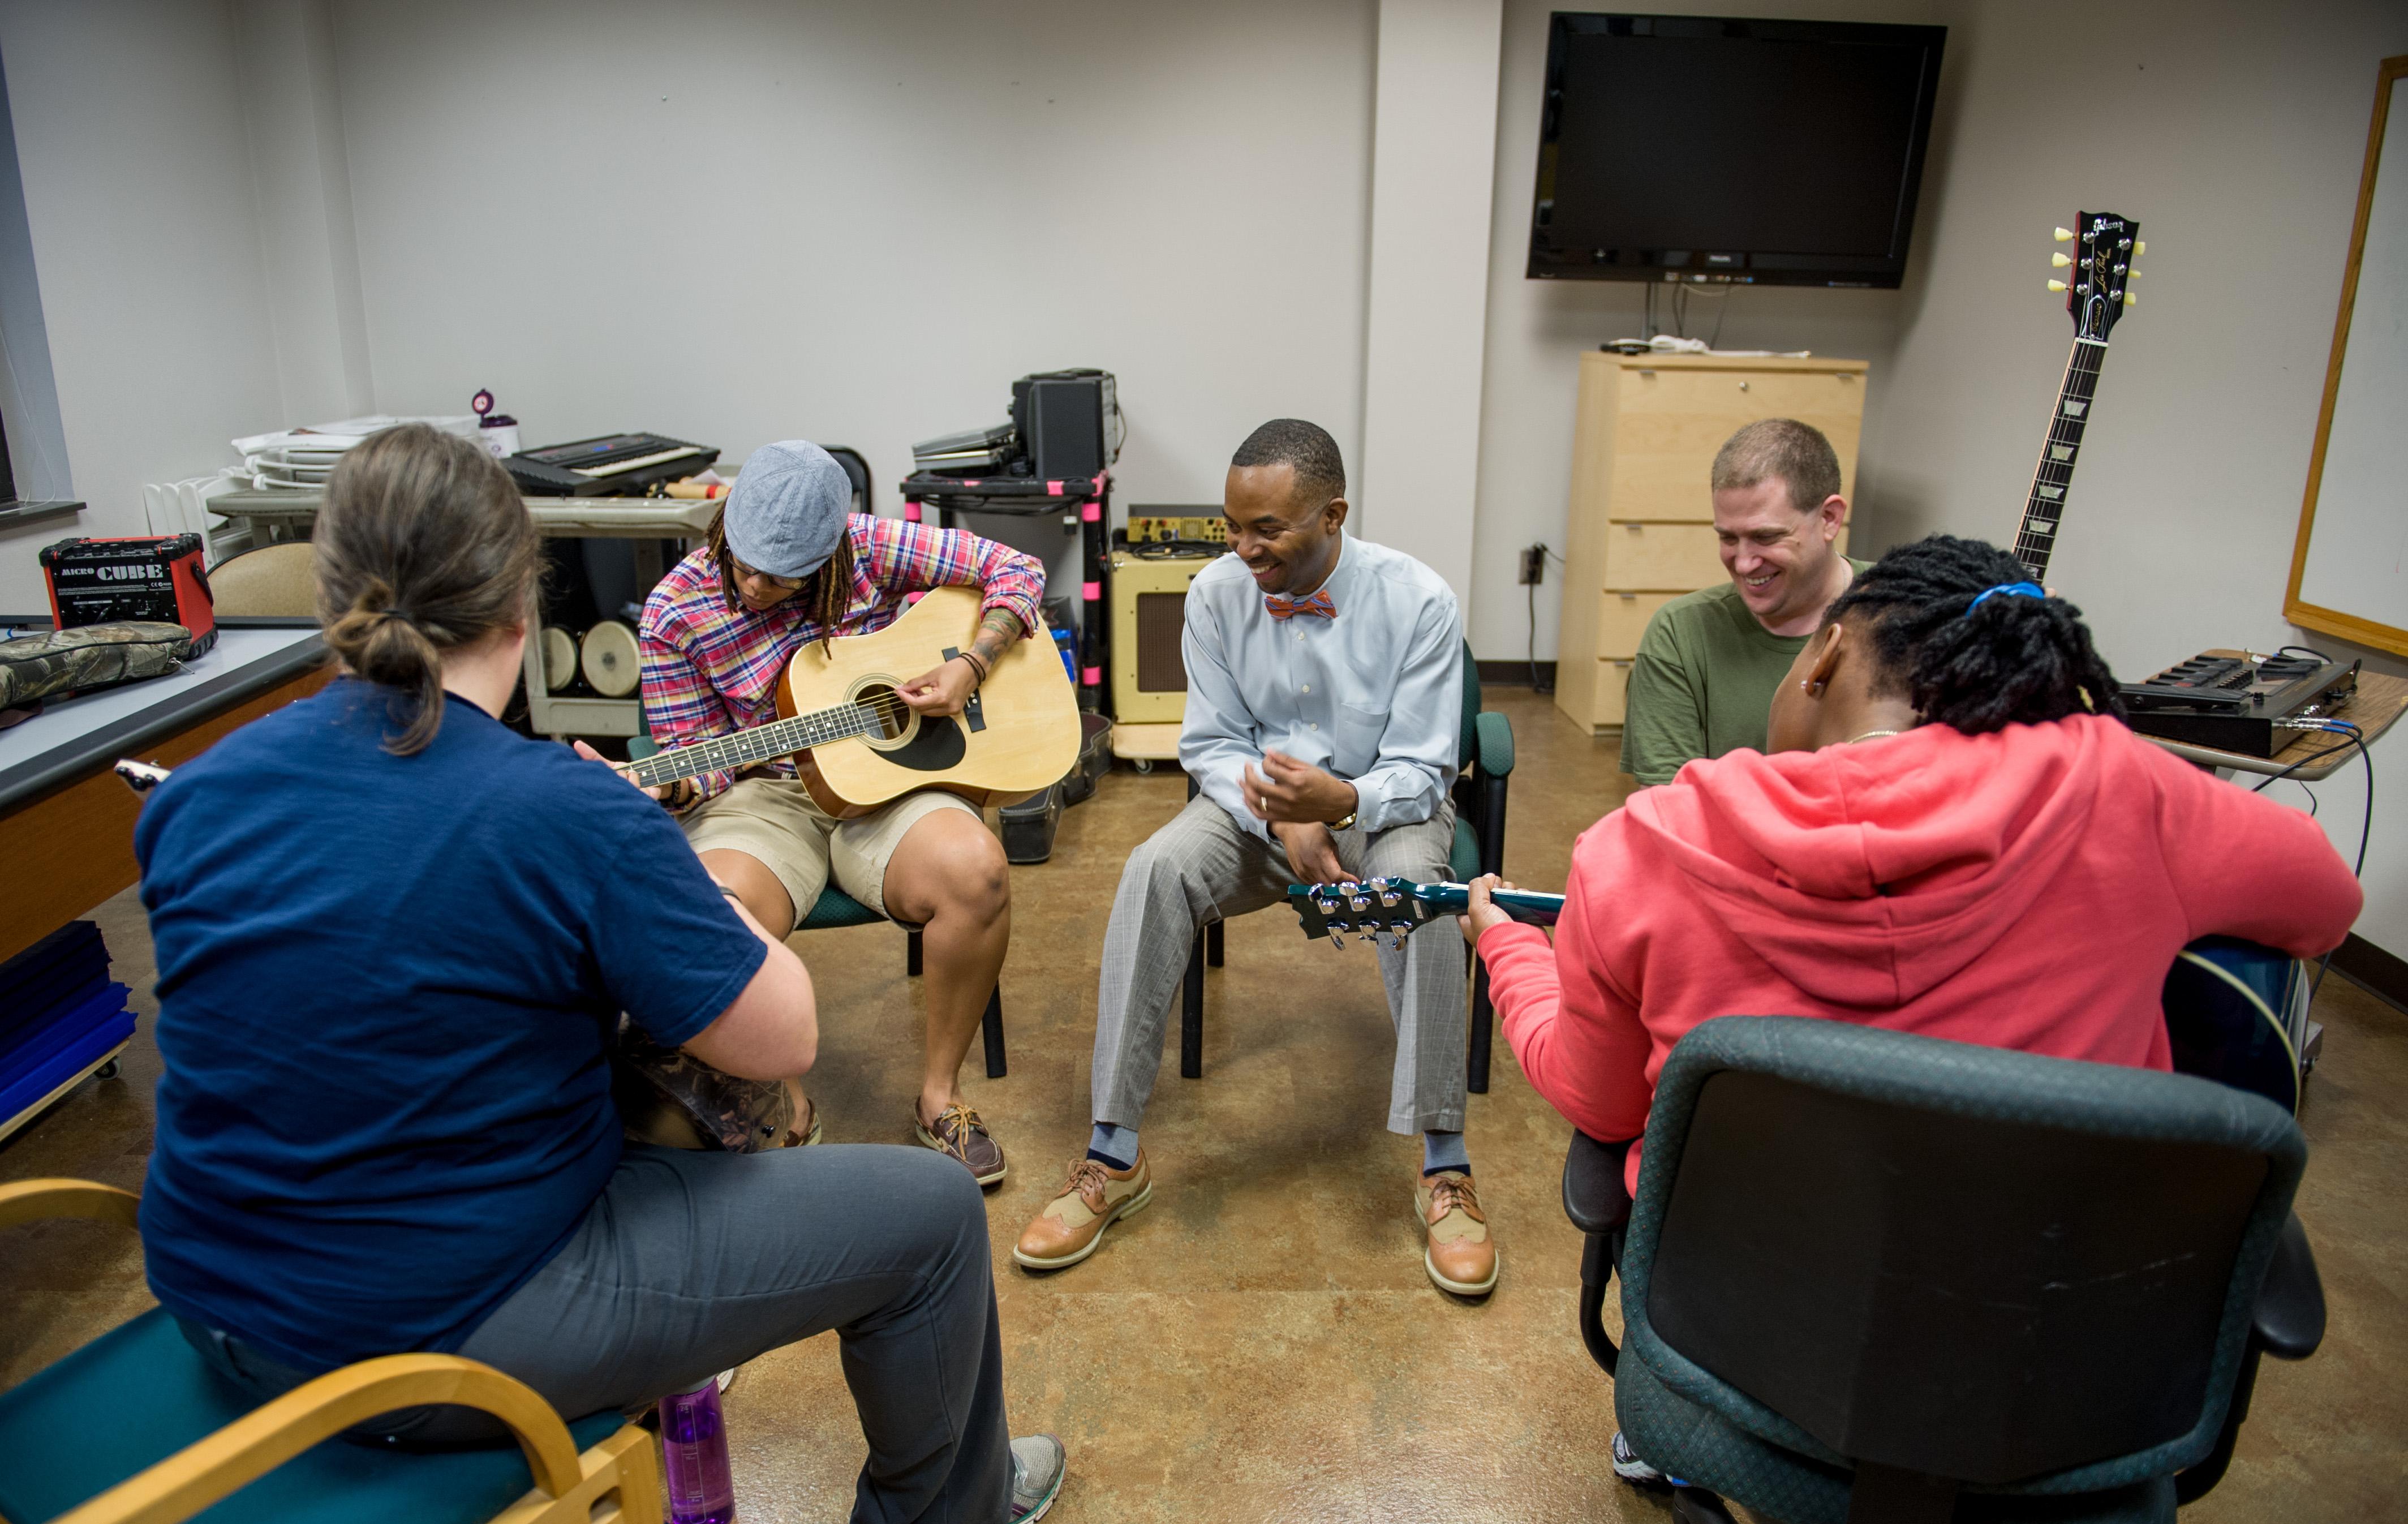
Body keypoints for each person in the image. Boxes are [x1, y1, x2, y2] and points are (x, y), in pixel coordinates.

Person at [134, 425, 1064, 1524]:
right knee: (927, 1215)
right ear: (522, 605)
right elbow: (784, 1033)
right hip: (437, 1342)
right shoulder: (559, 804)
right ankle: (932, 1522)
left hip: (215, 1307)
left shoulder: (192, 797)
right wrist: (630, 840)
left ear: (331, 592)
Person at [1461, 534, 2362, 1478]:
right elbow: (2326, 904)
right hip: (2052, 1377)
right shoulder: (2119, 781)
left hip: (1741, 1346)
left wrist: (1510, 946)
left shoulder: (1639, 846)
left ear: (1825, 655)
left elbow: (1597, 1102)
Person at [1012, 418, 1498, 1295]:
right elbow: (1212, 743)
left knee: (1424, 892)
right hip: (1258, 813)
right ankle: (1112, 1156)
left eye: (1266, 530)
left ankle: (1444, 1165)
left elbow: (1426, 768)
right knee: (1152, 868)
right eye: (1233, 526)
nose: (1243, 549)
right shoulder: (1215, 593)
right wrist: (1284, 821)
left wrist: (1339, 804)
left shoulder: (1418, 598)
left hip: (1380, 809)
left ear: (1333, 515)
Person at [633, 441, 1046, 1186]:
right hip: (762, 792)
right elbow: (700, 758)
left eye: (780, 573)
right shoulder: (674, 611)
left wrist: (970, 664)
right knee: (713, 915)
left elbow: (1018, 568)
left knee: (979, 872)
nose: (755, 585)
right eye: (745, 562)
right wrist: (672, 784)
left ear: (829, 555)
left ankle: (940, 1098)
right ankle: (772, 1093)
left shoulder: (870, 547)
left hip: (889, 781)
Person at [1619, 418, 1868, 788]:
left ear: (1830, 519)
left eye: (1765, 537)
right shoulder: (1681, 634)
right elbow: (1670, 812)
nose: (1744, 562)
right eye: (1729, 538)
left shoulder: (1910, 614)